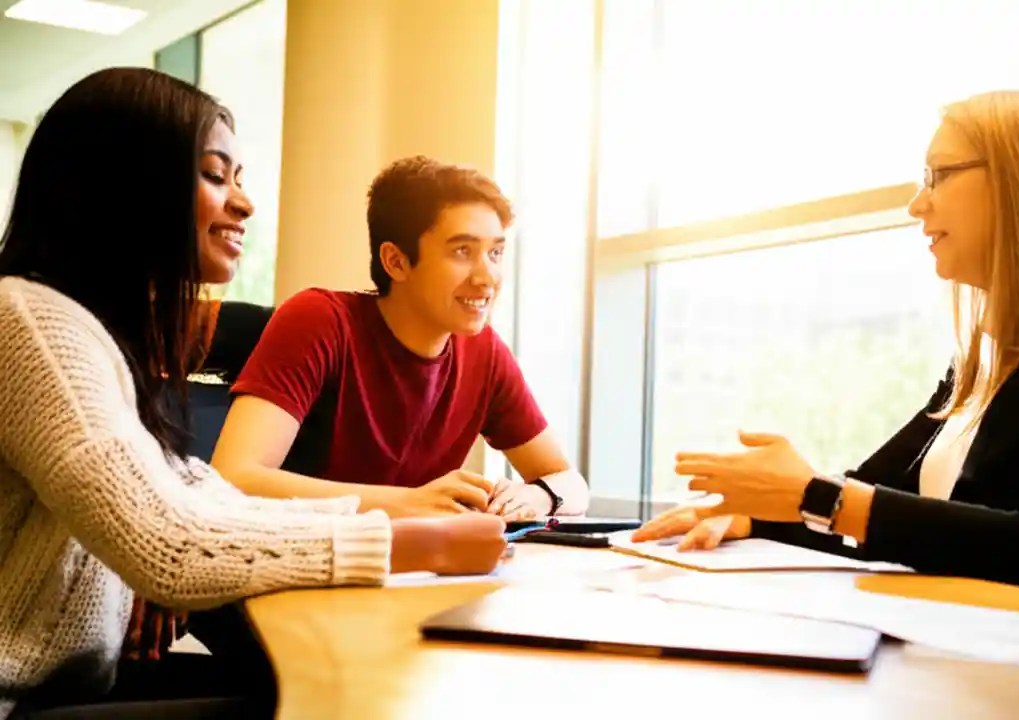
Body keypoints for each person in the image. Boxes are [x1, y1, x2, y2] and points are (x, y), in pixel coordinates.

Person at [0, 67, 507, 718]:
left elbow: (200, 498)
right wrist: (417, 542)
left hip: (68, 688)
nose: (244, 204)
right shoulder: (32, 323)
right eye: (215, 176)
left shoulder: (95, 335)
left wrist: (410, 521)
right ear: (126, 185)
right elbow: (171, 544)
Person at [634, 90, 1019, 615]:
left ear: (1017, 179)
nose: (917, 204)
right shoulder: (985, 357)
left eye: (938, 176)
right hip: (988, 642)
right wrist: (758, 515)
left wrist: (814, 497)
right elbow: (881, 496)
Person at [210, 157, 589, 521]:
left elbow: (571, 483)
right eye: (462, 251)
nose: (487, 276)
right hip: (301, 570)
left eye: (495, 252)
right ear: (396, 261)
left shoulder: (484, 352)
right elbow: (234, 478)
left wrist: (538, 495)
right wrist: (411, 503)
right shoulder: (319, 319)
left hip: (414, 571)